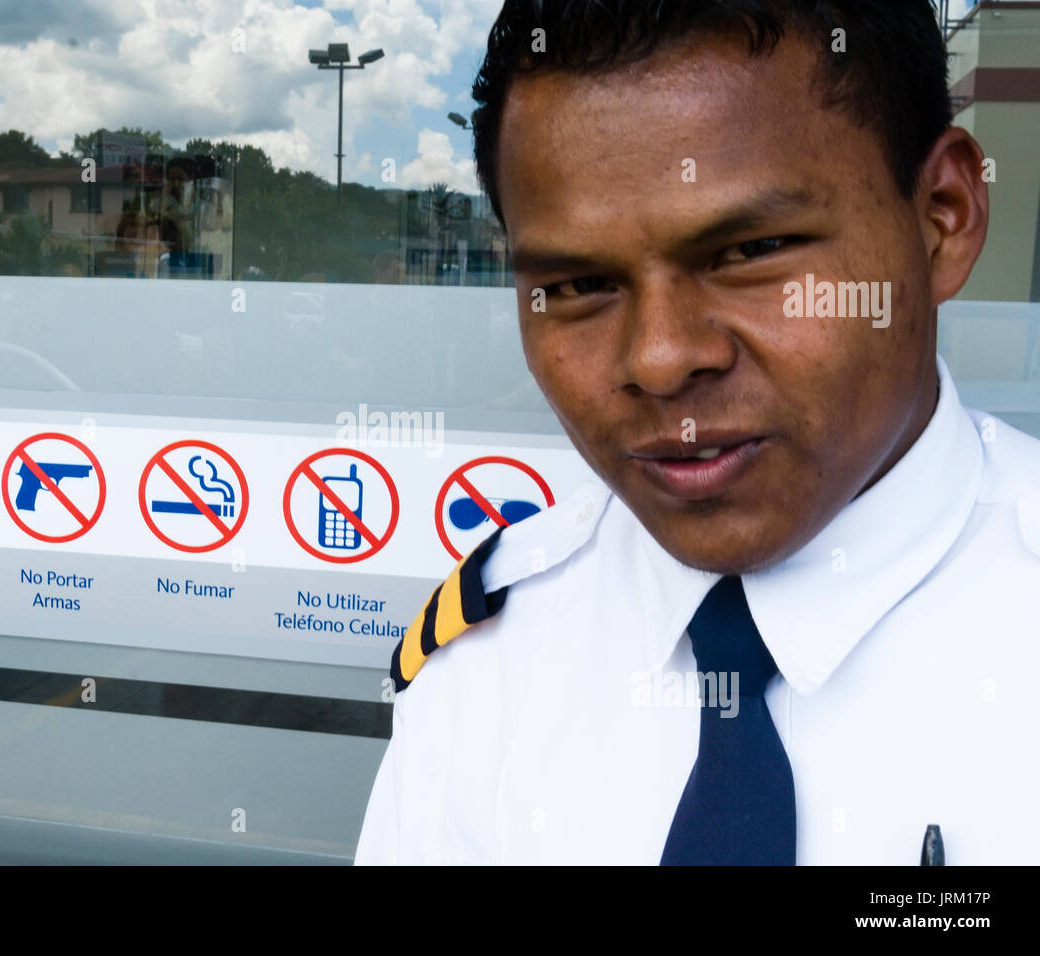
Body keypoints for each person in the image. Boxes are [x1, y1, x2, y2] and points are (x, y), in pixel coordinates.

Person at [354, 0, 1040, 865]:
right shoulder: (488, 661)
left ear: (943, 216)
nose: (660, 359)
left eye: (752, 251)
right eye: (578, 286)